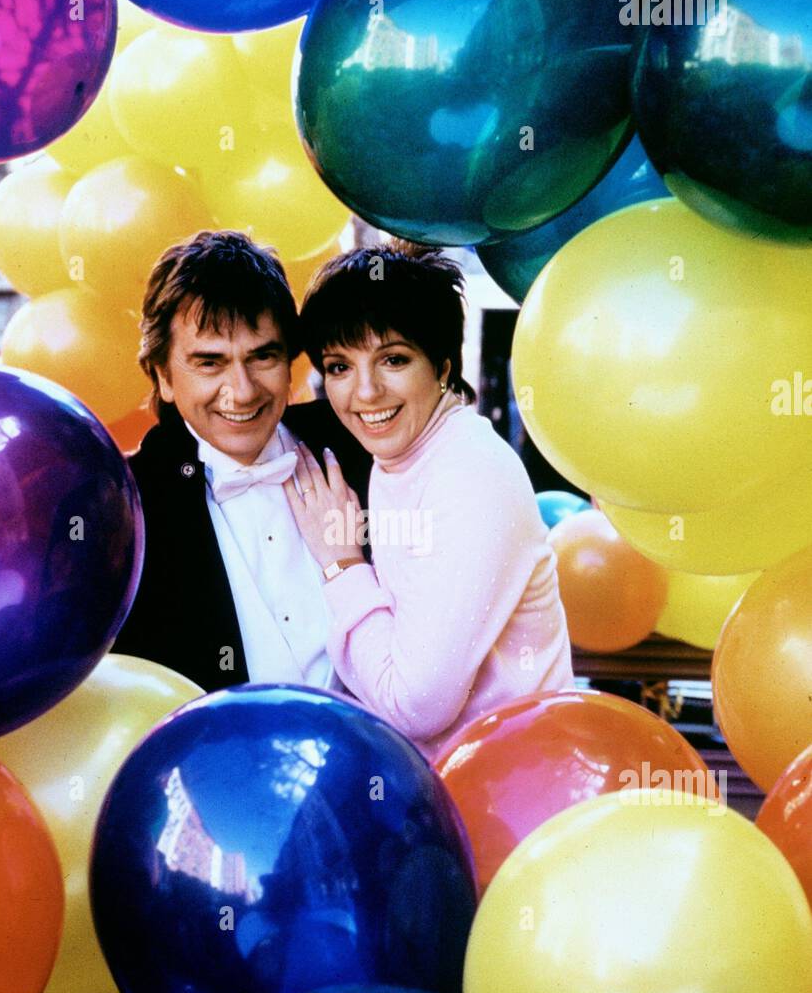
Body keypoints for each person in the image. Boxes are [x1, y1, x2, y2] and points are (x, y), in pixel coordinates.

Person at [284, 242, 574, 759]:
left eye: (392, 359)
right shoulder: (400, 457)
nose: (365, 392)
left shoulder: (468, 470)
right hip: (459, 792)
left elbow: (417, 706)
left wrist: (342, 564)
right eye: (338, 367)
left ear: (442, 365)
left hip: (514, 798)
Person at [112, 230, 371, 693]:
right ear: (163, 376)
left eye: (262, 356)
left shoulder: (365, 442)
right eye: (210, 363)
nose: (244, 390)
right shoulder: (122, 509)